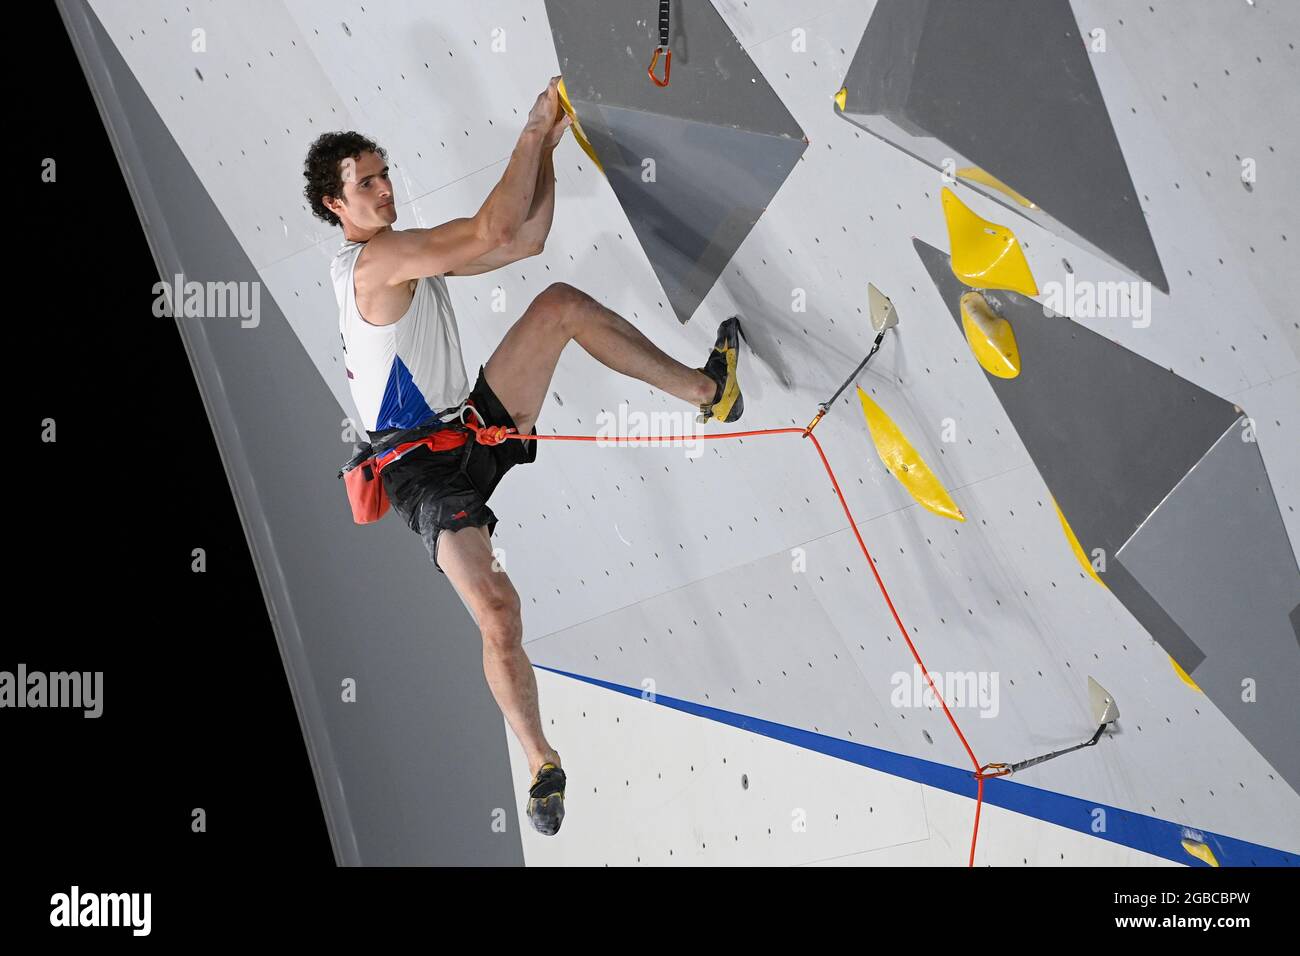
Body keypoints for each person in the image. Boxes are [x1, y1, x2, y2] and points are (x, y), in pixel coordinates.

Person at [303, 76, 744, 836]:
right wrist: (536, 126)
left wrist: (556, 141)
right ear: (333, 207)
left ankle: (712, 392)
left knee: (560, 305)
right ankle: (542, 762)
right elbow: (488, 230)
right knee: (499, 612)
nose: (383, 189)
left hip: (468, 426)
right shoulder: (375, 265)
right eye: (365, 184)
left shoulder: (400, 254)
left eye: (383, 175)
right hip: (420, 473)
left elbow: (523, 237)